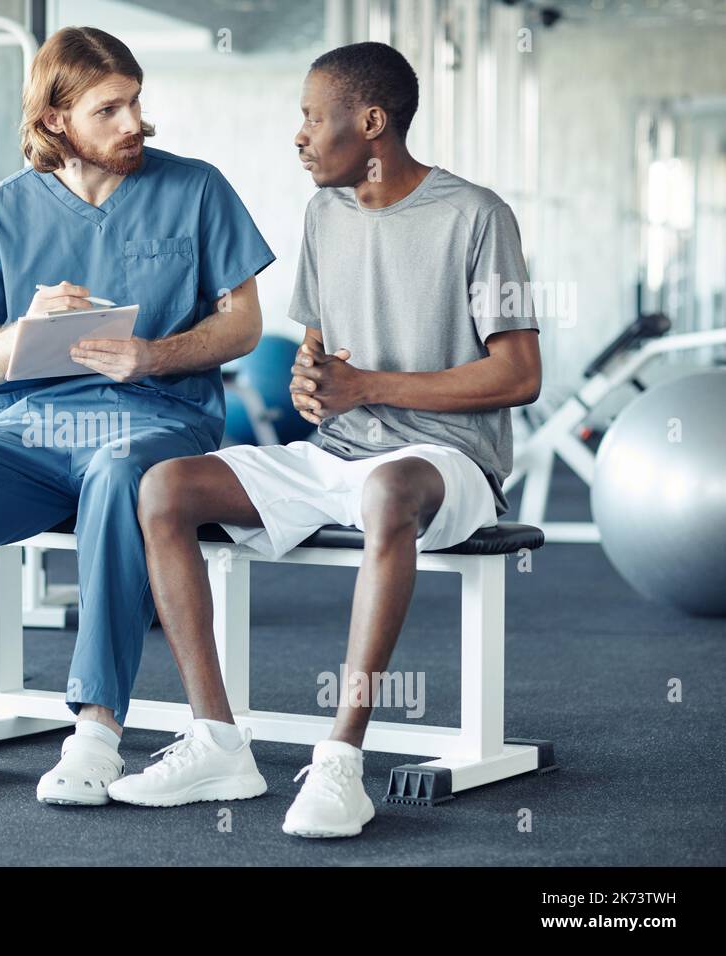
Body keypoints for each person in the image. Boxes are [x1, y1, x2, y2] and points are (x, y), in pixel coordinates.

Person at [109, 41, 542, 838]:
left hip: (446, 462)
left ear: (371, 123)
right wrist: (312, 381)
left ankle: (341, 757)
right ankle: (216, 740)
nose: (299, 136)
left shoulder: (478, 216)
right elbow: (319, 352)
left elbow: (519, 375)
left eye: (313, 118)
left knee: (386, 489)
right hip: (338, 452)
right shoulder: (323, 213)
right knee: (164, 489)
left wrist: (370, 386)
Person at [0, 26, 276, 805]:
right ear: (56, 120)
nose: (134, 124)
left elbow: (243, 325)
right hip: (31, 432)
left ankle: (97, 731)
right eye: (109, 110)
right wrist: (25, 329)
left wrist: (151, 356)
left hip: (157, 420)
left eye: (135, 102)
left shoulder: (195, 189)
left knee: (121, 471)